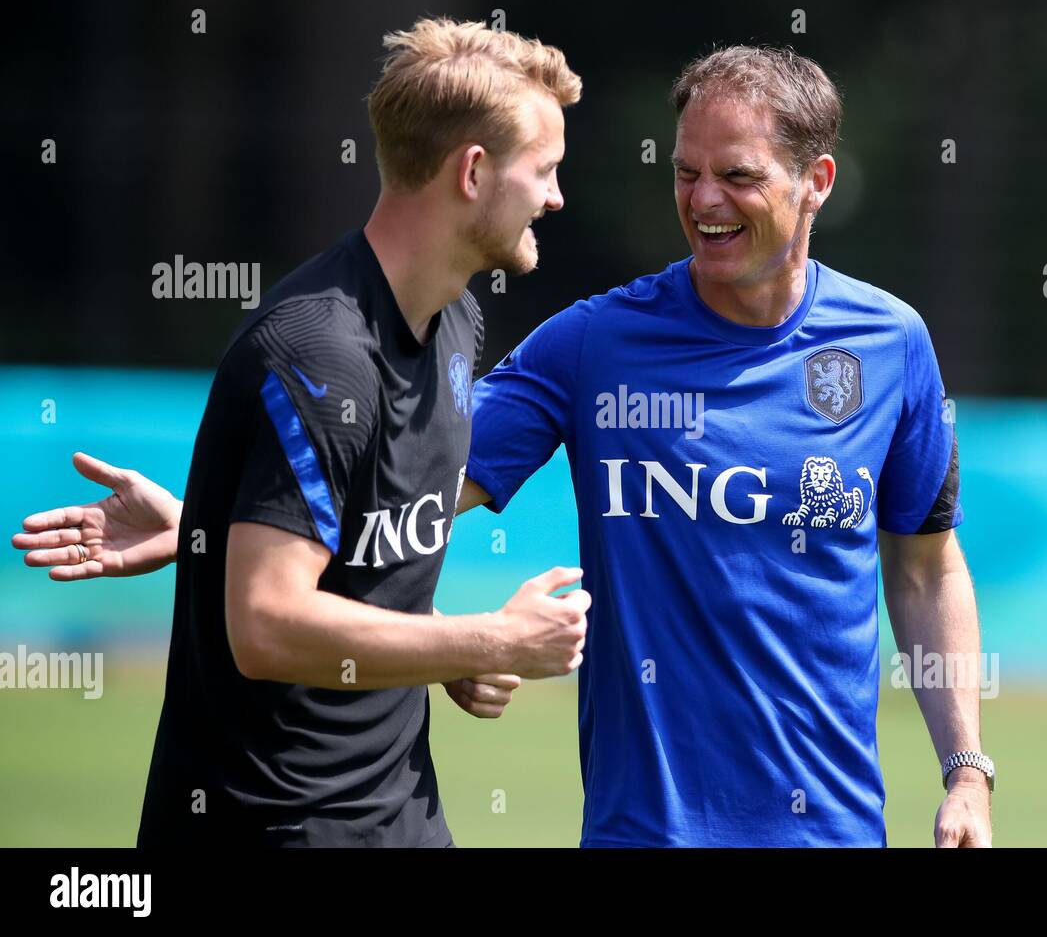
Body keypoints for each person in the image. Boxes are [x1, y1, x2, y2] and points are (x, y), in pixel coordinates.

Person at [17, 44, 993, 848]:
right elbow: (393, 504)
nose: (703, 201)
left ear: (815, 181)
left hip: (833, 832)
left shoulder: (891, 345)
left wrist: (966, 771)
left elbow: (922, 565)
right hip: (639, 833)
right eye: (686, 172)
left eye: (737, 175)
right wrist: (213, 526)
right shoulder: (589, 345)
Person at [13, 17, 590, 847]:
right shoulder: (319, 349)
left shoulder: (457, 323)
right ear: (473, 172)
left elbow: (357, 547)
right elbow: (268, 625)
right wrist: (489, 637)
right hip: (272, 826)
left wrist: (209, 524)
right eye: (544, 171)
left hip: (401, 819)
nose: (556, 196)